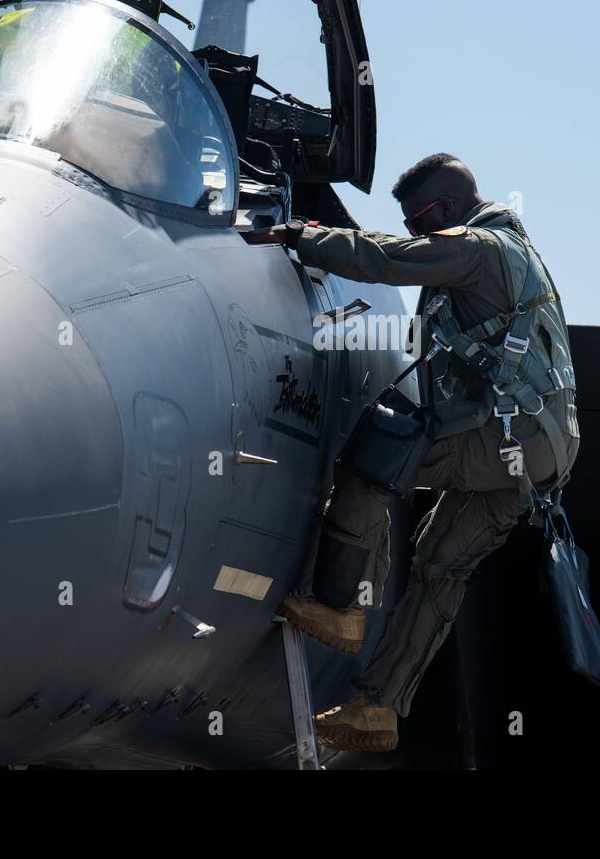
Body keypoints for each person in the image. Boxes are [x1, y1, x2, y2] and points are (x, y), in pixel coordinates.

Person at [241, 154, 580, 751]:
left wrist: (304, 235)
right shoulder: (518, 255)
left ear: (446, 207)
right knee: (440, 568)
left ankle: (339, 606)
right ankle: (377, 708)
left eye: (419, 222)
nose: (418, 235)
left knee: (379, 459)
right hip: (540, 452)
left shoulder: (476, 247)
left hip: (508, 438)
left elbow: (383, 259)